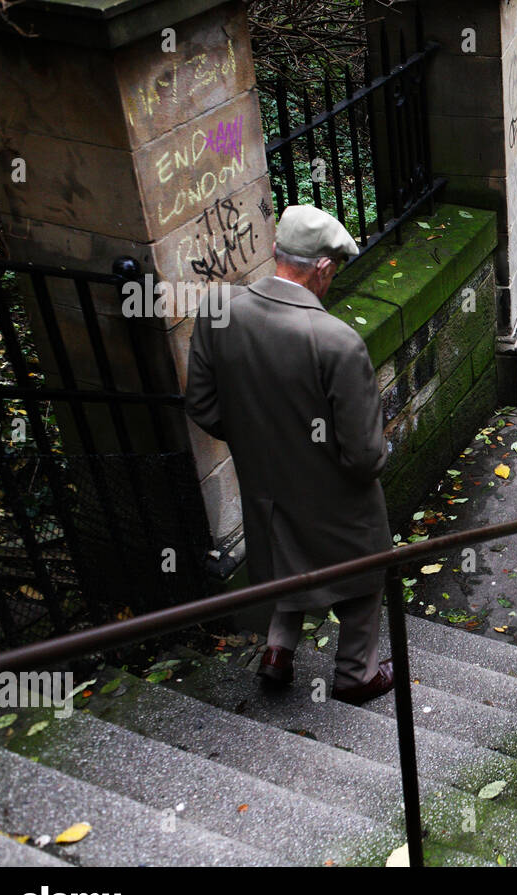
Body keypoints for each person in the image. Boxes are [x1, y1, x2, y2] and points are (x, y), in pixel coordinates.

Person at [186, 204, 395, 705]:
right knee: (363, 576)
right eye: (335, 271)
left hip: (266, 489)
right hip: (335, 501)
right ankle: (355, 674)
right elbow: (365, 456)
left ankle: (278, 652)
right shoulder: (336, 341)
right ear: (322, 268)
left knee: (287, 560)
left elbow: (201, 402)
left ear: (277, 252)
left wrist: (256, 439)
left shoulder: (220, 313)